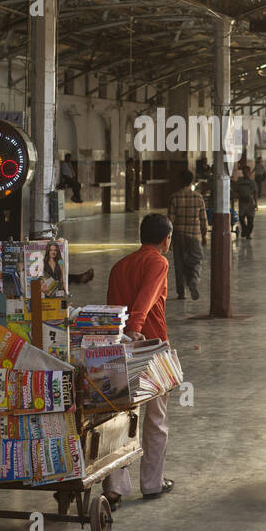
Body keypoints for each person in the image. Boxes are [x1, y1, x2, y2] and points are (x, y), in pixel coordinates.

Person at [102, 214, 174, 507]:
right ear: (166, 239)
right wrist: (135, 329)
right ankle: (152, 483)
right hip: (151, 345)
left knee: (119, 416)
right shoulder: (159, 262)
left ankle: (115, 488)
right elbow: (146, 298)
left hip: (117, 348)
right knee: (156, 417)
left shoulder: (120, 266)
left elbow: (110, 308)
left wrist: (117, 339)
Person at [167, 169, 207, 300]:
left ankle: (181, 292)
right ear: (192, 181)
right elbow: (203, 220)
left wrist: (169, 239)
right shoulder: (198, 197)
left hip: (178, 235)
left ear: (181, 181)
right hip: (194, 235)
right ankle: (193, 281)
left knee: (179, 264)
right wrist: (204, 235)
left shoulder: (174, 197)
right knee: (196, 260)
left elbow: (170, 220)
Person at [233, 163, 258, 239]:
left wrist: (256, 203)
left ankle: (248, 233)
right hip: (242, 202)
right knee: (241, 218)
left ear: (250, 173)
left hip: (250, 202)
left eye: (247, 172)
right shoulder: (239, 182)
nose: (246, 173)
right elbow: (236, 190)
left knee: (250, 220)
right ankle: (244, 230)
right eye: (244, 172)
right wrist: (235, 196)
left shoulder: (252, 182)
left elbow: (255, 192)